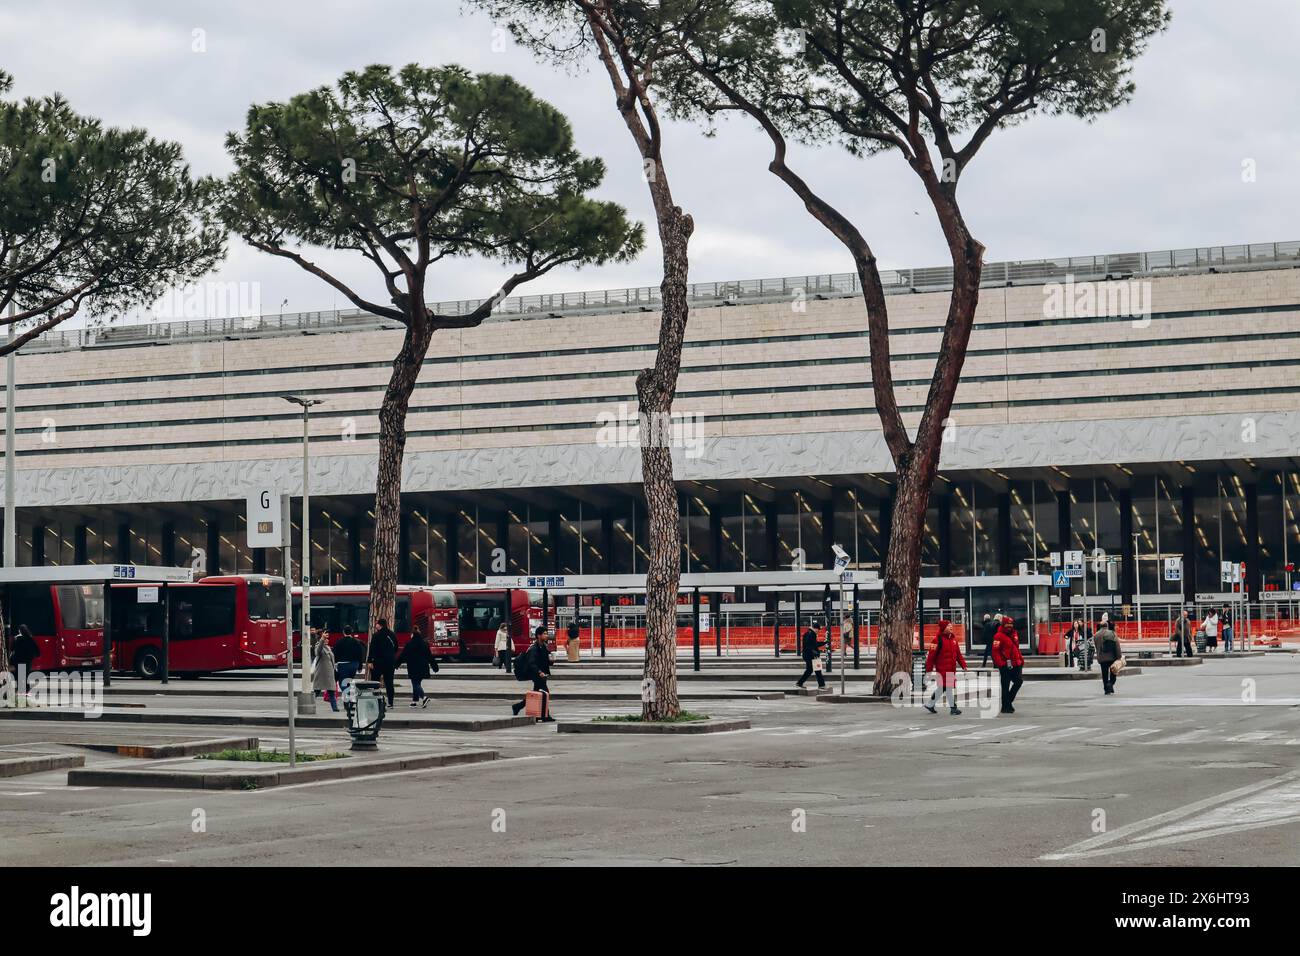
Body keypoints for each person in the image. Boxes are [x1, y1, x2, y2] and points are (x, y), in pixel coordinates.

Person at [924, 619, 968, 715]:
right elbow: (931, 657)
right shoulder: (936, 640)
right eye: (948, 626)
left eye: (951, 625)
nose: (951, 627)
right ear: (943, 628)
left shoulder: (954, 640)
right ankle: (953, 708)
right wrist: (929, 671)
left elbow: (958, 655)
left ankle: (930, 704)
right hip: (942, 669)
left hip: (951, 669)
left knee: (942, 688)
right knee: (948, 688)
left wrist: (964, 665)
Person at [511, 625, 555, 721]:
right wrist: (540, 672)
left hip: (541, 674)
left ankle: (518, 706)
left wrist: (551, 660)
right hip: (536, 674)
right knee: (545, 693)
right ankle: (546, 715)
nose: (546, 635)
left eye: (546, 633)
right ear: (538, 636)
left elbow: (544, 660)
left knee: (536, 693)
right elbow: (532, 663)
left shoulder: (543, 646)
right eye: (544, 634)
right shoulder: (534, 648)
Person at [396, 625, 438, 708]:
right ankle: (414, 701)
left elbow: (402, 655)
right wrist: (435, 667)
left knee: (415, 684)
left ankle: (424, 698)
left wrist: (396, 664)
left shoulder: (409, 644)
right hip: (423, 667)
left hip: (413, 667)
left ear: (412, 634)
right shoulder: (424, 644)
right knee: (417, 683)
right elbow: (429, 656)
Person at [991, 618, 1024, 714]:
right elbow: (995, 652)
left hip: (1016, 663)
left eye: (1011, 624)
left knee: (1018, 682)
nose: (1009, 626)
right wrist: (1000, 663)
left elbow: (1017, 648)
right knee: (1005, 686)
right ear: (1003, 625)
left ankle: (1007, 702)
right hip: (1005, 665)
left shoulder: (1014, 633)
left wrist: (1021, 660)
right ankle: (1006, 706)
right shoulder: (998, 636)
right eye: (1007, 624)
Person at [367, 618, 398, 708]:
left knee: (375, 682)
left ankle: (376, 701)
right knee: (389, 683)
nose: (375, 625)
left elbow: (372, 649)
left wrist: (370, 661)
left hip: (378, 662)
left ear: (380, 625)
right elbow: (395, 647)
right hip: (390, 662)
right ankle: (390, 702)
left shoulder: (376, 635)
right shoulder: (392, 634)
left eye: (376, 624)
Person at [1094, 615, 1121, 695]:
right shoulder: (1112, 633)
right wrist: (1119, 656)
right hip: (1112, 657)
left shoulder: (1096, 635)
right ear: (1107, 626)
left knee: (1104, 674)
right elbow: (1117, 645)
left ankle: (1106, 689)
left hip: (1102, 658)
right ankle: (1110, 684)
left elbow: (1096, 646)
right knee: (1113, 673)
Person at [312, 634, 339, 712]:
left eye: (327, 638)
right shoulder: (318, 646)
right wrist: (322, 640)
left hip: (329, 674)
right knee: (317, 691)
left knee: (331, 691)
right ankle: (311, 705)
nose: (327, 640)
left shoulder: (328, 647)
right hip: (321, 673)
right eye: (326, 638)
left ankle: (335, 708)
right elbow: (318, 652)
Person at [795, 621, 826, 690]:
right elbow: (809, 645)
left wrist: (824, 643)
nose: (818, 631)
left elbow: (814, 644)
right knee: (817, 669)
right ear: (816, 628)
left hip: (809, 655)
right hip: (811, 656)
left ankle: (800, 683)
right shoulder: (811, 634)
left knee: (809, 670)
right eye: (818, 630)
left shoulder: (810, 633)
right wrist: (814, 652)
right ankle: (822, 685)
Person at [9, 624, 39, 692]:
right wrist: (33, 656)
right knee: (26, 675)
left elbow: (12, 649)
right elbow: (36, 650)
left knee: (19, 676)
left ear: (20, 631)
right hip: (27, 661)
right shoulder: (30, 639)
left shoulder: (17, 639)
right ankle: (26, 690)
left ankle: (20, 690)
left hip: (18, 660)